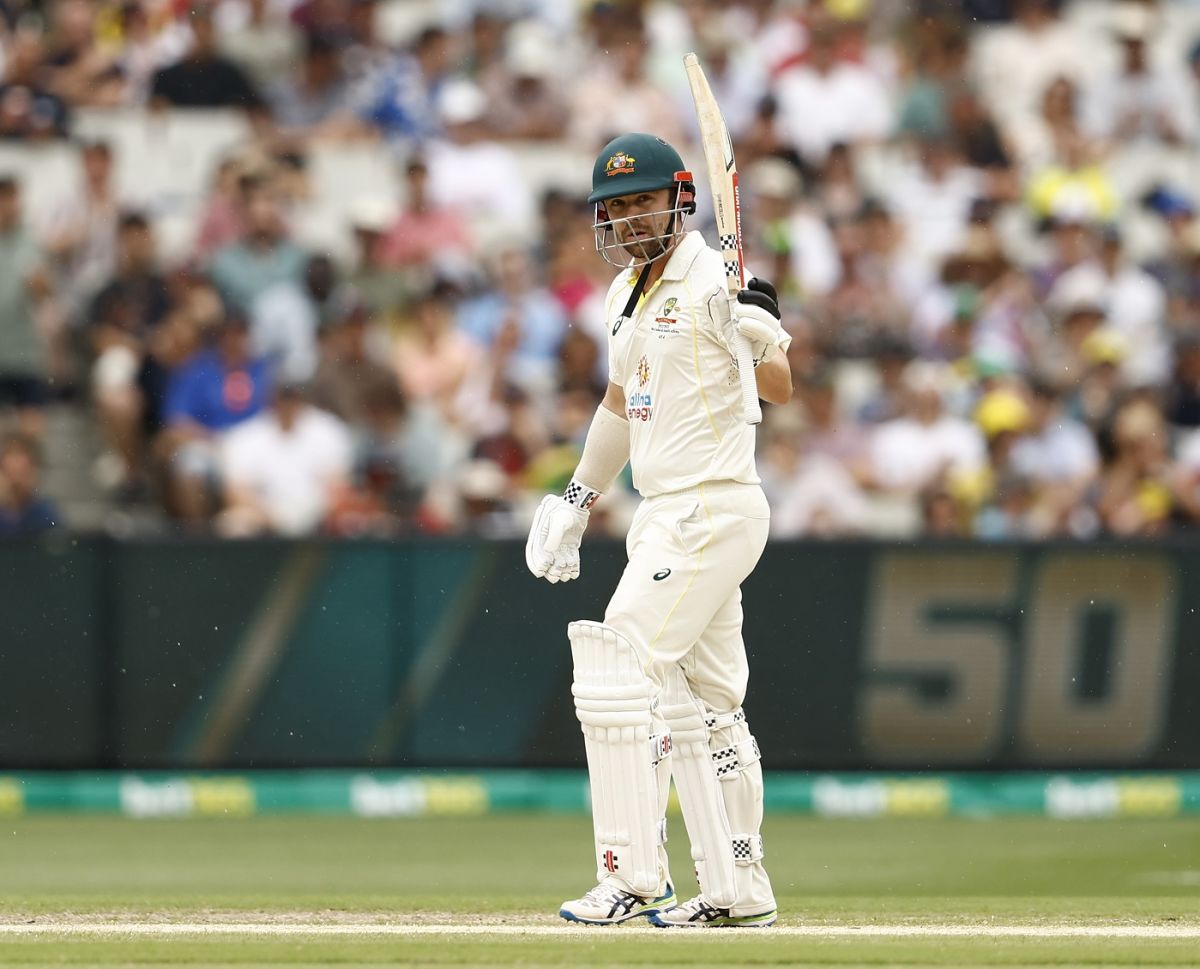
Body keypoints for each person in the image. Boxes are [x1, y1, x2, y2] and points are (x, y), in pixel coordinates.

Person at [524, 133, 792, 928]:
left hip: (712, 504)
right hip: (664, 510)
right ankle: (739, 888)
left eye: (642, 200)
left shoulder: (715, 281)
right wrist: (577, 499)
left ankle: (634, 875)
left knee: (620, 669)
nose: (629, 218)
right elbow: (620, 404)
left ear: (679, 200)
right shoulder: (622, 293)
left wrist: (762, 336)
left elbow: (779, 385)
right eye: (616, 207)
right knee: (707, 703)